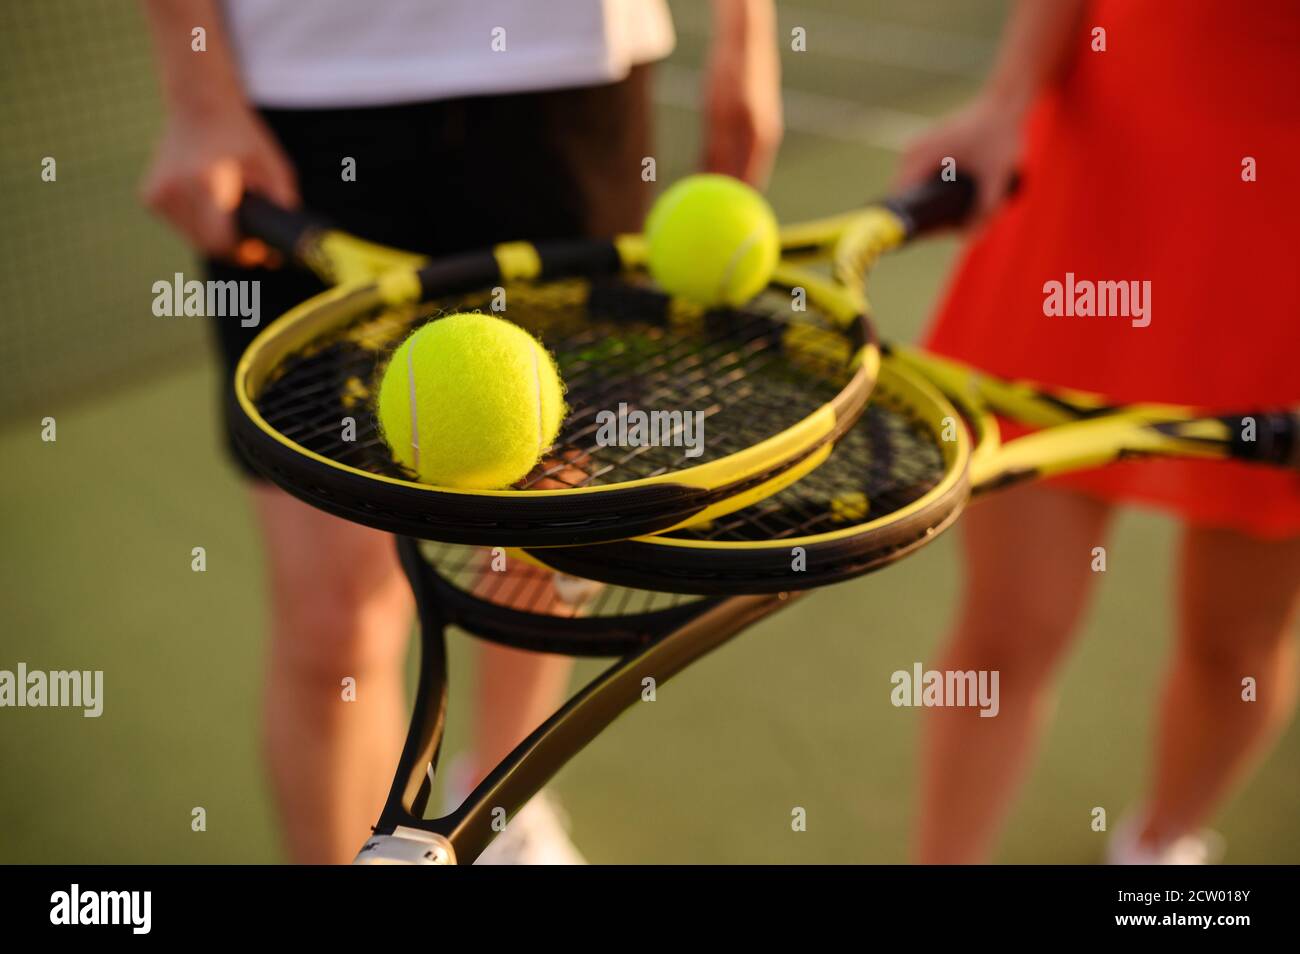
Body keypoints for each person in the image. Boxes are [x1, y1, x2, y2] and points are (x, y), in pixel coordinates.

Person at [139, 0, 782, 864]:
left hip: (569, 73)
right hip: (299, 97)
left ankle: (506, 816)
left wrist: (746, 33)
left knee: (541, 549)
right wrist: (197, 91)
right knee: (335, 622)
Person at [895, 0, 1300, 864]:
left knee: (1237, 640)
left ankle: (1159, 853)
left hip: (1284, 255)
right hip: (1101, 180)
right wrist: (1005, 102)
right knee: (1006, 626)